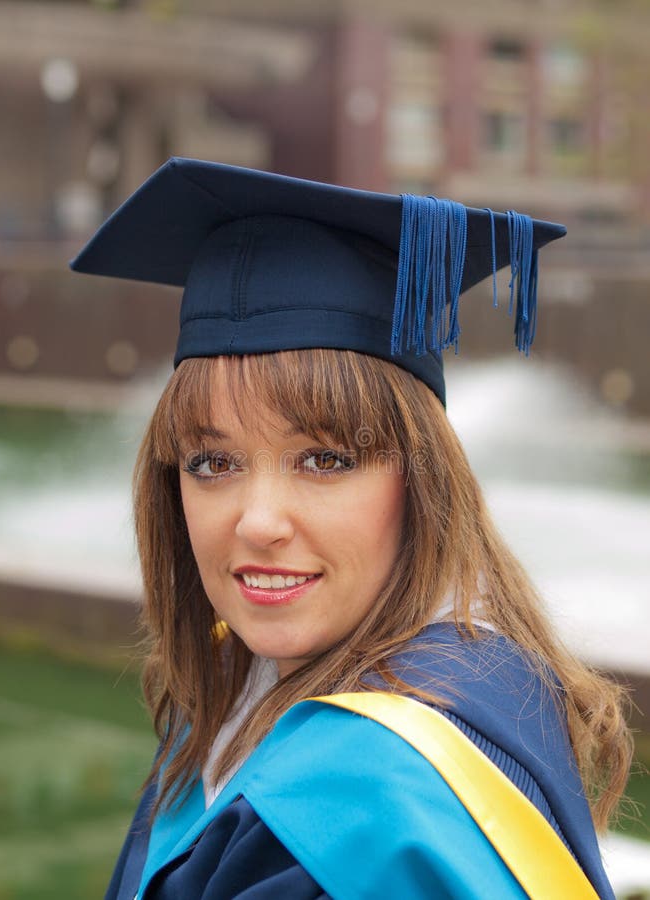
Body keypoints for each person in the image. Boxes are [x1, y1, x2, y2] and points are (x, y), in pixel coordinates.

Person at [71, 158, 631, 900]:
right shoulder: (461, 673)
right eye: (211, 462)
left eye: (325, 458)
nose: (259, 521)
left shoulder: (367, 815)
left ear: (424, 481)